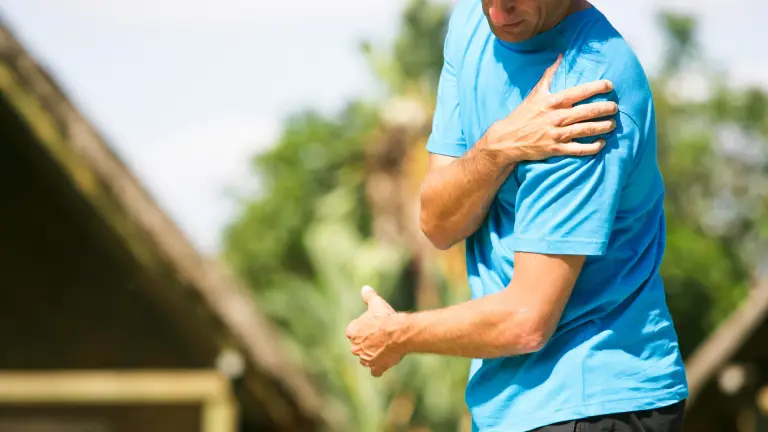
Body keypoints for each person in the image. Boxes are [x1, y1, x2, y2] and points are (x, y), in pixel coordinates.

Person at [345, 0, 689, 431]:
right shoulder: (472, 22)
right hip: (507, 407)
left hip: (595, 401)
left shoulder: (587, 89)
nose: (500, 9)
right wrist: (499, 147)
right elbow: (438, 222)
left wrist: (398, 334)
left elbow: (526, 320)